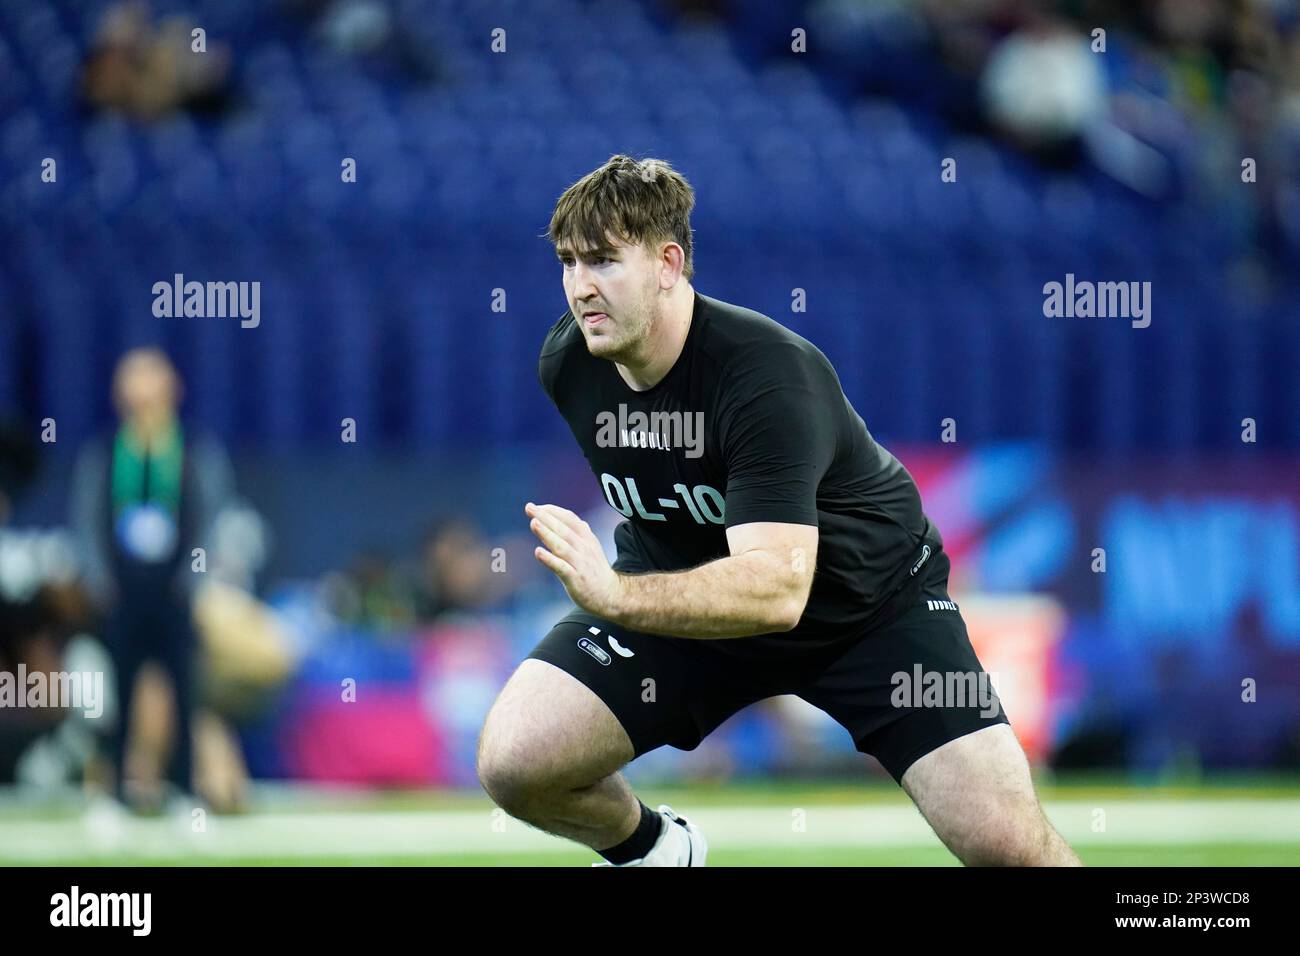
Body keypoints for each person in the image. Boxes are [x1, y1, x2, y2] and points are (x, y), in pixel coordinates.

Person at [476, 154, 1081, 867]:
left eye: (604, 261)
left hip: (866, 609)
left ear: (669, 263)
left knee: (1008, 849)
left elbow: (776, 589)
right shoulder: (570, 361)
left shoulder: (767, 375)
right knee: (517, 763)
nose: (580, 288)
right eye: (569, 263)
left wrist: (614, 594)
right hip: (687, 598)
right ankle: (658, 852)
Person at [72, 347, 232, 812]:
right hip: (122, 593)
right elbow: (86, 521)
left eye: (151, 379)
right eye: (132, 380)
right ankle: (116, 793)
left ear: (172, 389)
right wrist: (101, 582)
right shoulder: (105, 453)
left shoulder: (194, 449)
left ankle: (184, 791)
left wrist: (192, 579)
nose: (142, 392)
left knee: (183, 693)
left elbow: (212, 518)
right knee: (116, 698)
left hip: (174, 593)